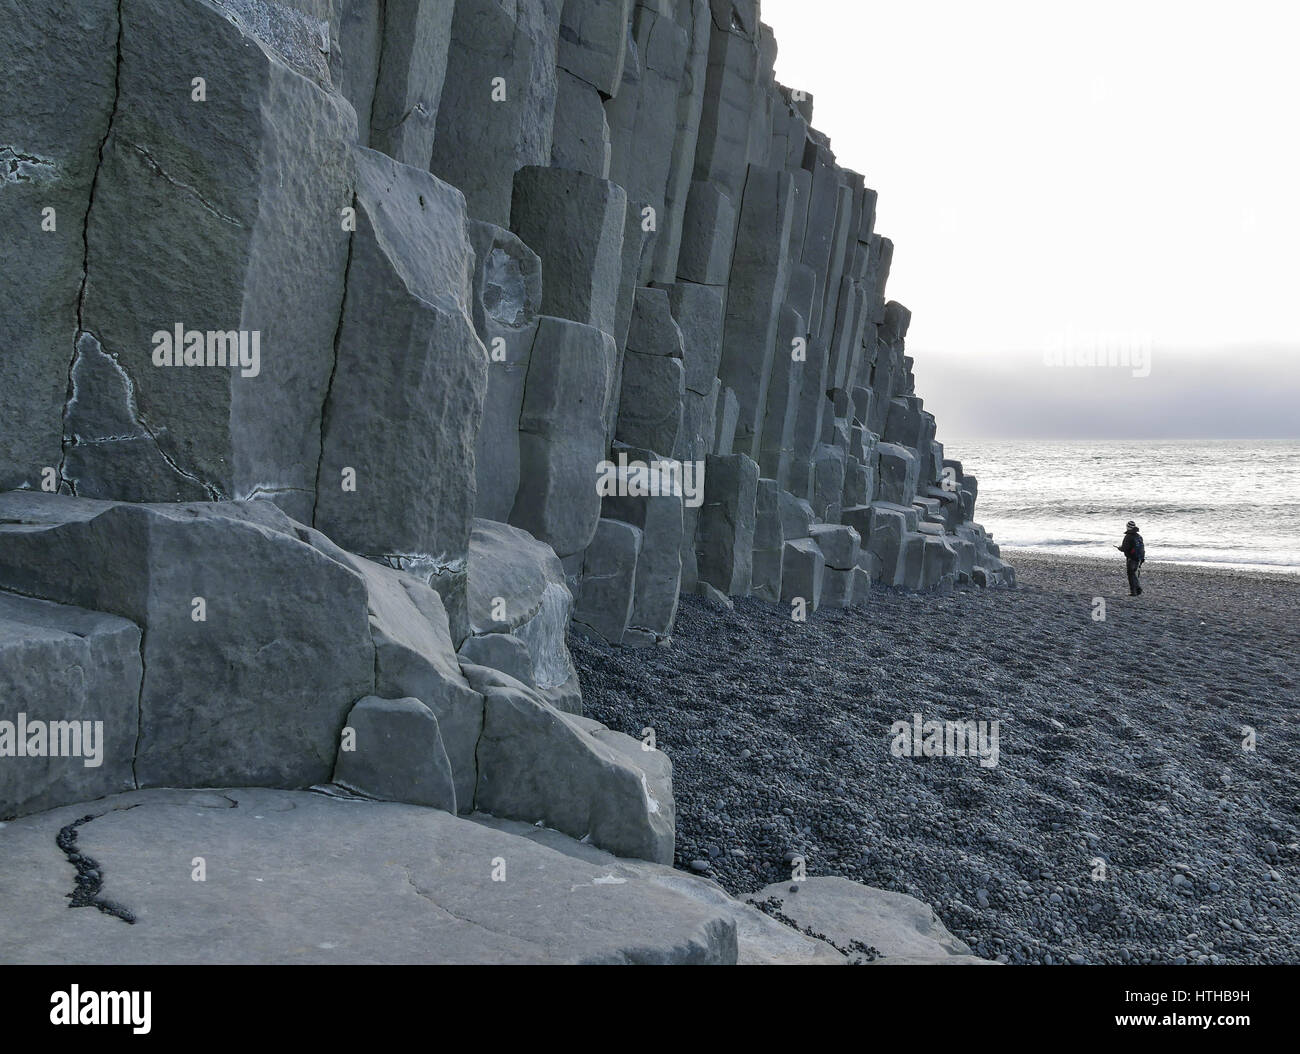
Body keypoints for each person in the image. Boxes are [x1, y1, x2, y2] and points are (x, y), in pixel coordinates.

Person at [1116, 520, 1144, 595]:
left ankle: (1134, 591)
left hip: (1131, 558)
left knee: (1131, 574)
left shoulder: (1128, 536)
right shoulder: (1139, 536)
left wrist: (1119, 548)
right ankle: (1138, 589)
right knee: (1134, 573)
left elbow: (1124, 548)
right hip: (1138, 558)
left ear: (1128, 527)